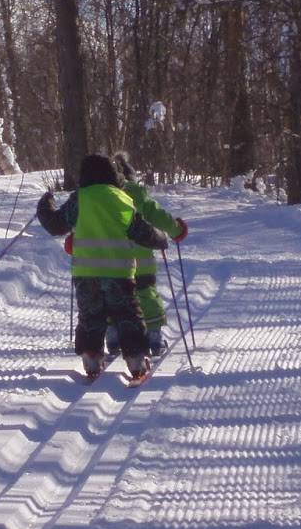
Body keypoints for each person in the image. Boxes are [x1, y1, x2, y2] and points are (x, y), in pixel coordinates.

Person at [37, 153, 170, 380]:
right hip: (119, 274)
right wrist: (162, 239)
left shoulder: (80, 199)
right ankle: (136, 360)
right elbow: (141, 231)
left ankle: (91, 358)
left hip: (86, 275)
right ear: (112, 174)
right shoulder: (121, 199)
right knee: (129, 316)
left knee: (91, 318)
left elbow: (56, 225)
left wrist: (45, 205)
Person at [112, 152, 188, 356]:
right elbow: (160, 218)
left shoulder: (106, 199)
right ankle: (154, 337)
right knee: (146, 295)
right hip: (142, 261)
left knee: (113, 297)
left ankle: (112, 336)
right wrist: (177, 230)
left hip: (114, 263)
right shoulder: (141, 198)